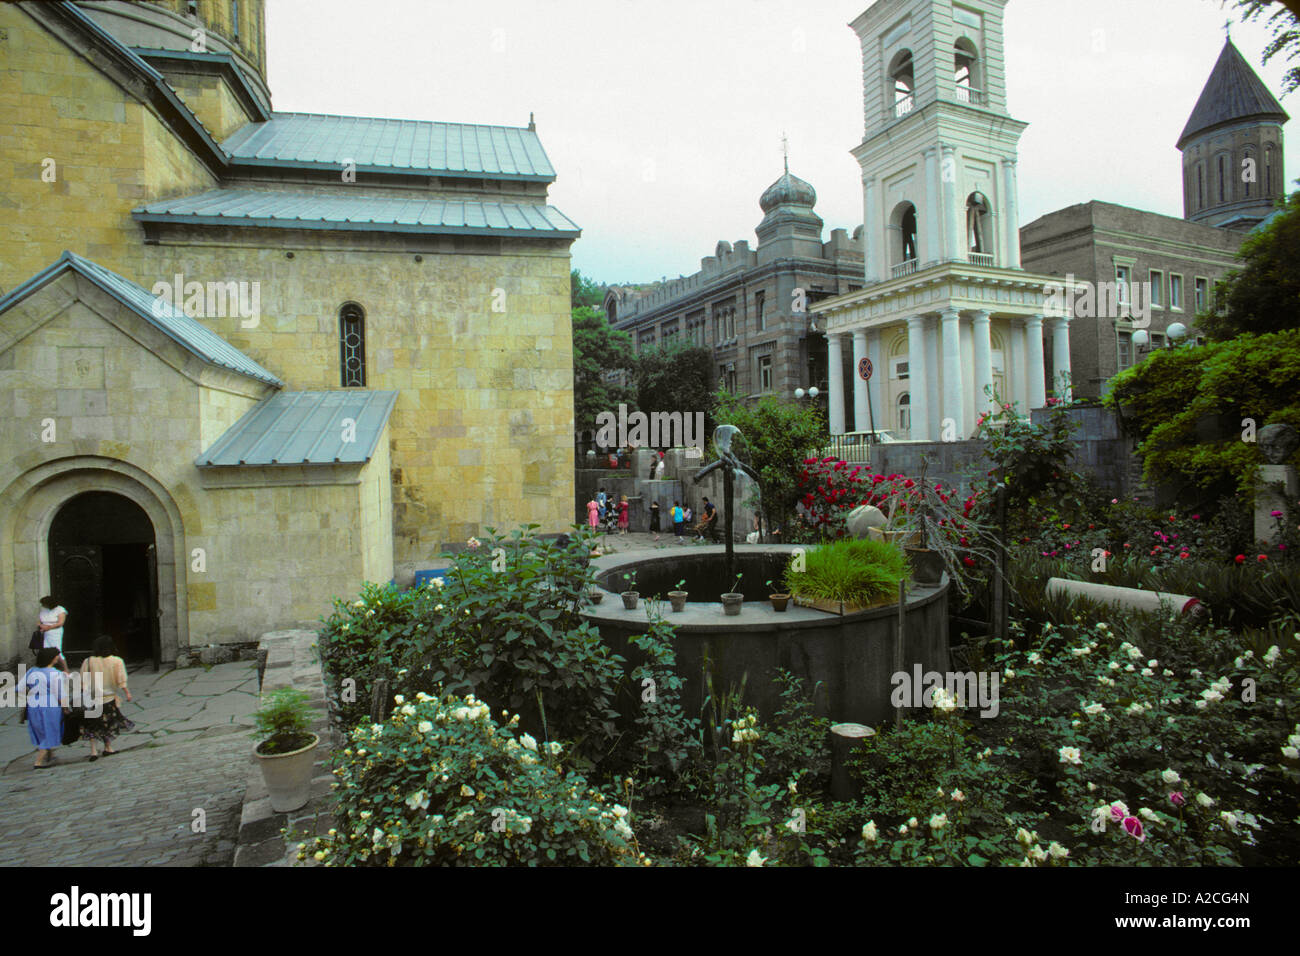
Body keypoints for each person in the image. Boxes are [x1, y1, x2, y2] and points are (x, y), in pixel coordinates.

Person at [79, 635, 135, 761]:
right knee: (107, 724)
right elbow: (121, 679)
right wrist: (127, 692)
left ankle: (93, 751)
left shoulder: (88, 661)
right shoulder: (117, 661)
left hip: (92, 698)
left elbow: (83, 681)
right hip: (108, 698)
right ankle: (108, 747)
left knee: (92, 724)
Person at [25, 647, 68, 769]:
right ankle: (38, 761)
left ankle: (50, 755)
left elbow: (19, 687)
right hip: (50, 705)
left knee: (40, 730)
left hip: (33, 704)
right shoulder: (56, 674)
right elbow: (60, 694)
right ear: (52, 658)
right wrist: (65, 707)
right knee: (50, 729)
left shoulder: (32, 671)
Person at [36, 595, 70, 673]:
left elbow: (60, 623)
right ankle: (47, 668)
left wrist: (48, 627)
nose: (42, 605)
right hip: (45, 633)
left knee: (57, 650)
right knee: (46, 649)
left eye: (43, 603)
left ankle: (66, 669)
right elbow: (38, 621)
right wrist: (41, 626)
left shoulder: (60, 610)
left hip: (55, 632)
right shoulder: (44, 610)